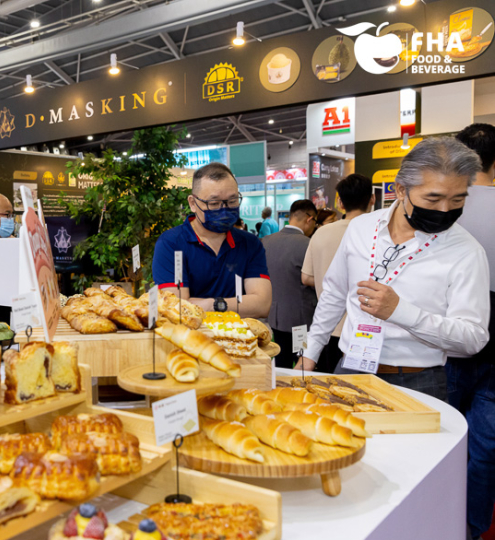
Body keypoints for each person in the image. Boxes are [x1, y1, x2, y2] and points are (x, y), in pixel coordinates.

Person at [298, 137, 490, 401]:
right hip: (350, 368)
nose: (445, 210)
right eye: (433, 199)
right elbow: (334, 294)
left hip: (418, 381)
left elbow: (473, 338)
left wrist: (402, 312)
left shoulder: (466, 251)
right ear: (401, 190)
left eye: (457, 200)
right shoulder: (361, 228)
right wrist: (310, 352)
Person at [450, 123, 495, 540]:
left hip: (446, 343)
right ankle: (473, 534)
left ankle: (436, 523)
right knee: (485, 449)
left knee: (440, 438)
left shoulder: (445, 210)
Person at [152, 162, 271, 318]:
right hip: (190, 338)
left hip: (239, 337)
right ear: (193, 203)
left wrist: (211, 305)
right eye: (214, 203)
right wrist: (239, 305)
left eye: (232, 201)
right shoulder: (171, 244)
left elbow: (262, 305)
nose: (224, 209)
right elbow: (175, 307)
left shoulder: (250, 244)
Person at [301, 174, 374, 373]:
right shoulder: (378, 234)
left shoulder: (322, 233)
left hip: (325, 327)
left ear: (340, 202)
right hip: (363, 334)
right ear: (372, 199)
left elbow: (306, 277)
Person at [262, 200, 318, 368]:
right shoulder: (308, 244)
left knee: (281, 363)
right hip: (301, 320)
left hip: (275, 316)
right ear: (309, 219)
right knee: (302, 367)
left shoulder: (266, 241)